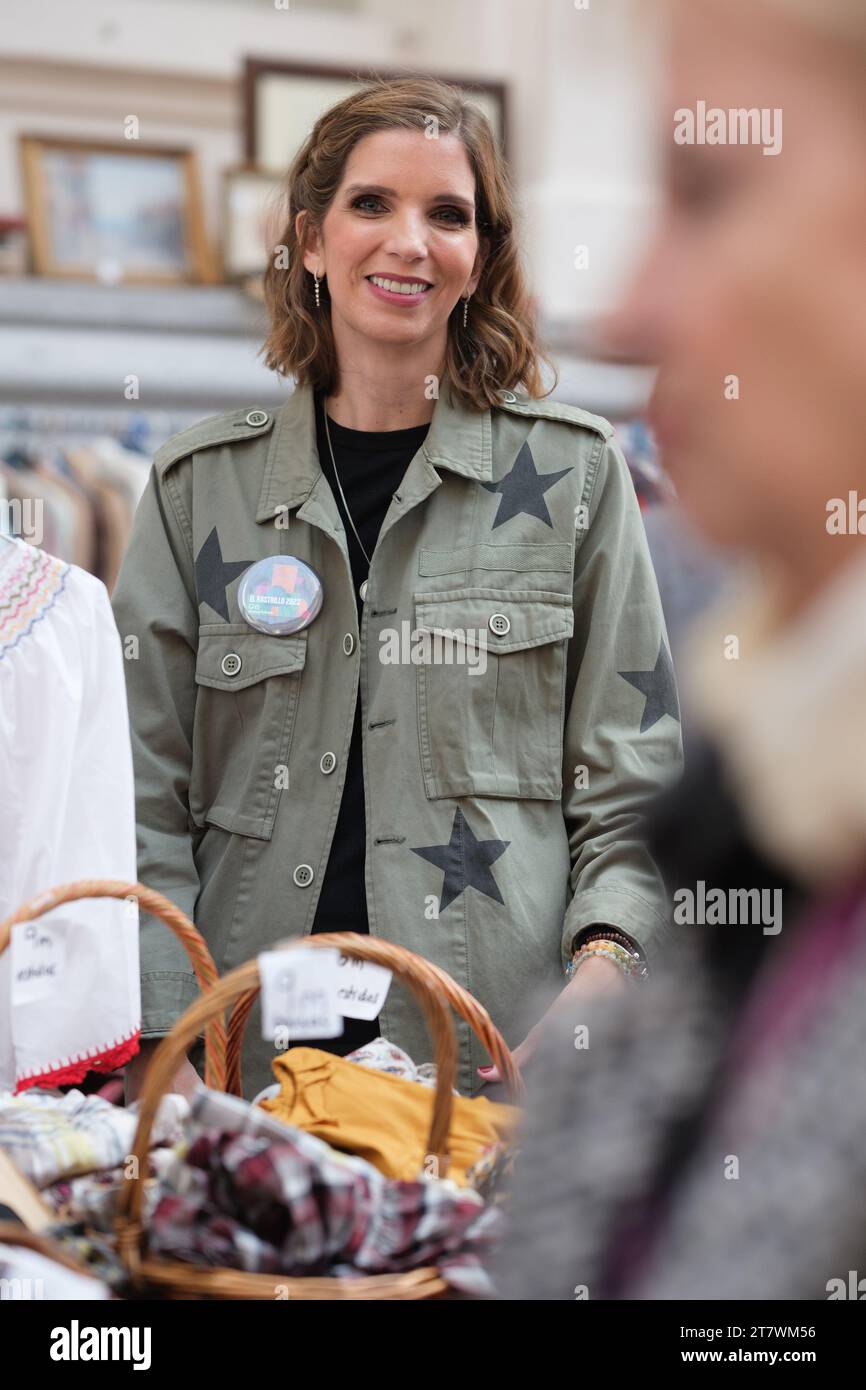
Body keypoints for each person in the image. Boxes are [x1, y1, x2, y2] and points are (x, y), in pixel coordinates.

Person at [114, 77, 682, 1104]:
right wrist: (175, 1044)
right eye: (371, 203)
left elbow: (632, 785)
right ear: (312, 240)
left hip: (495, 1069)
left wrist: (600, 986)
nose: (409, 241)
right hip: (243, 1071)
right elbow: (139, 791)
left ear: (480, 257)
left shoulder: (581, 479)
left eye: (448, 214)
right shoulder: (197, 490)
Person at [494, 0, 866, 1299]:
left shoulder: (596, 498)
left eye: (703, 192)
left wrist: (597, 955)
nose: (631, 310)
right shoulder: (777, 745)